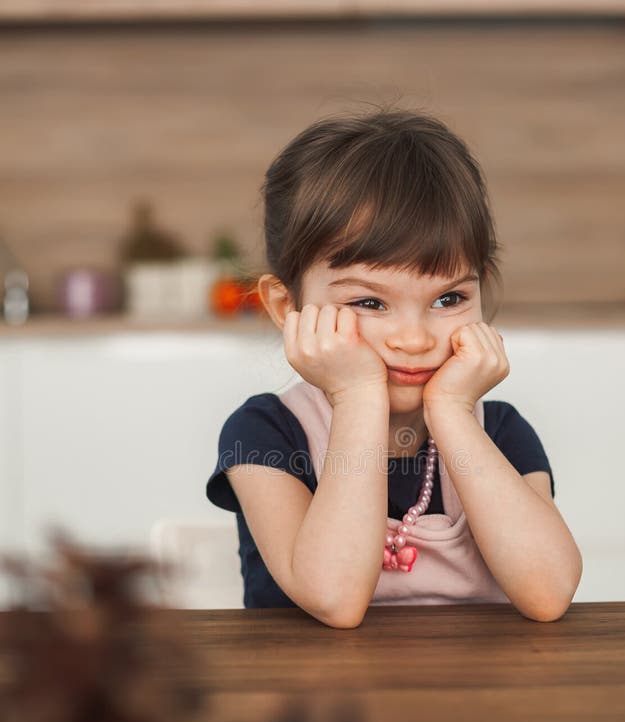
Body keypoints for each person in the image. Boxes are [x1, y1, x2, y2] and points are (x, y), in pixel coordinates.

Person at [206, 106, 583, 628]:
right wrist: (358, 394)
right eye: (369, 302)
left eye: (449, 298)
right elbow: (335, 599)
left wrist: (451, 411)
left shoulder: (498, 433)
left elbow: (548, 594)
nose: (415, 339)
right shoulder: (265, 433)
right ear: (287, 307)